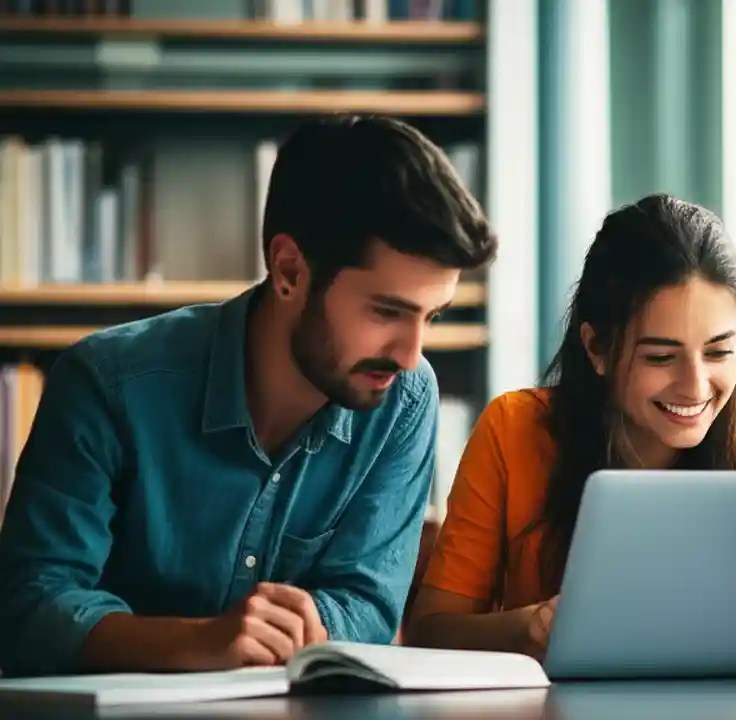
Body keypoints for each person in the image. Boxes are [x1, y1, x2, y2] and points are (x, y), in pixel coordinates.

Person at [0, 115, 496, 675]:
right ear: (289, 270)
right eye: (387, 311)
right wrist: (195, 643)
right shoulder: (106, 383)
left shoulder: (404, 400)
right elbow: (28, 609)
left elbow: (369, 607)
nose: (410, 355)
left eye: (432, 315)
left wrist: (288, 629)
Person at [405, 194, 736, 669]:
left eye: (719, 352)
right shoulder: (515, 430)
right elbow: (430, 631)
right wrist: (526, 628)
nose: (695, 385)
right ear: (597, 348)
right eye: (660, 356)